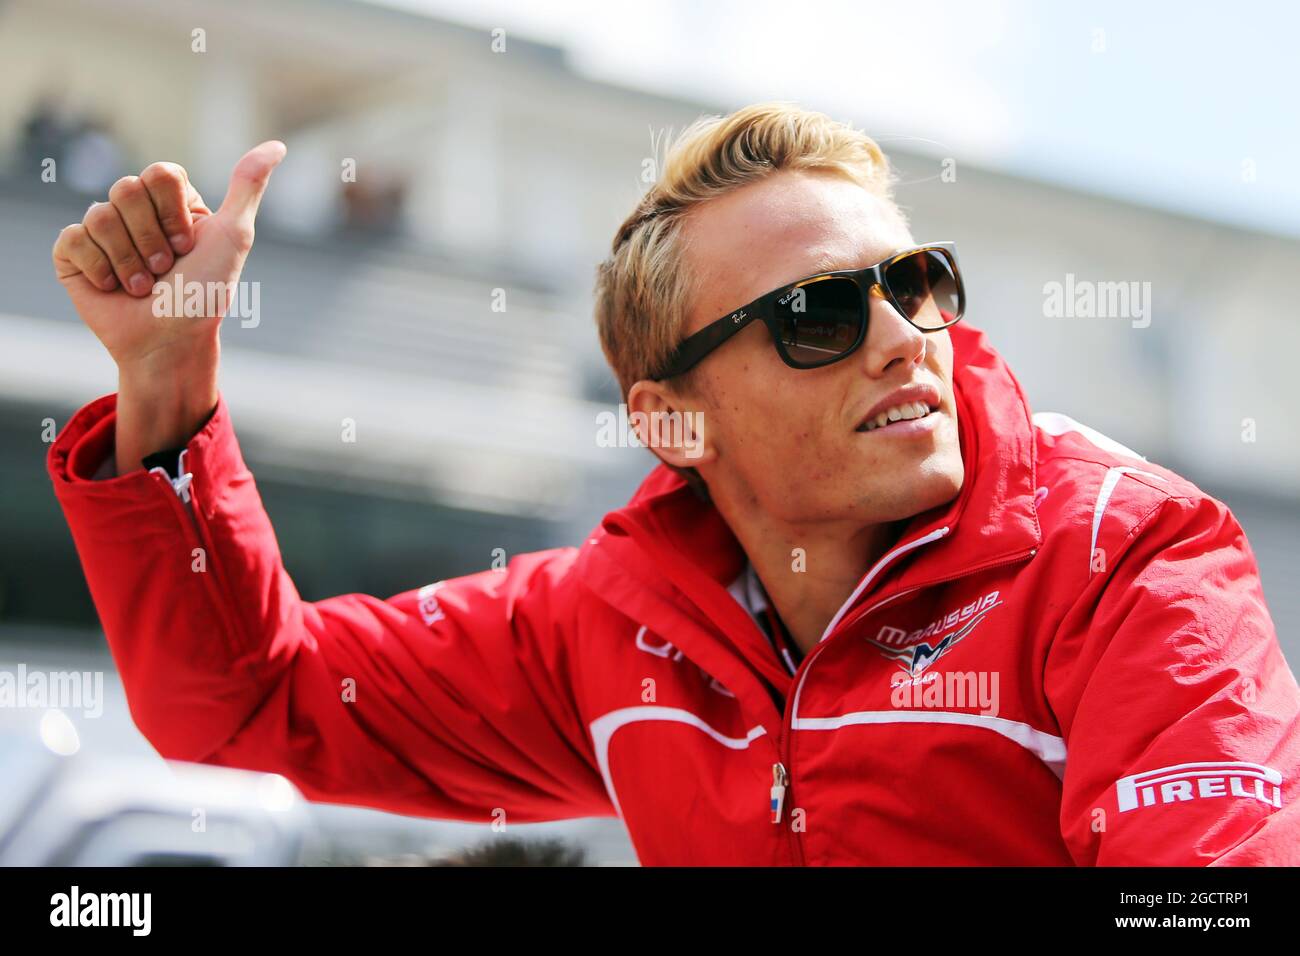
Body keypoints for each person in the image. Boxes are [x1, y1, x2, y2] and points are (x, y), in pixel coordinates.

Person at [47, 103, 1300, 865]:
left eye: (909, 281)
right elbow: (251, 704)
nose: (900, 336)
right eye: (814, 312)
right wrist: (169, 387)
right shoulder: (610, 620)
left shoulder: (1128, 555)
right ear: (672, 420)